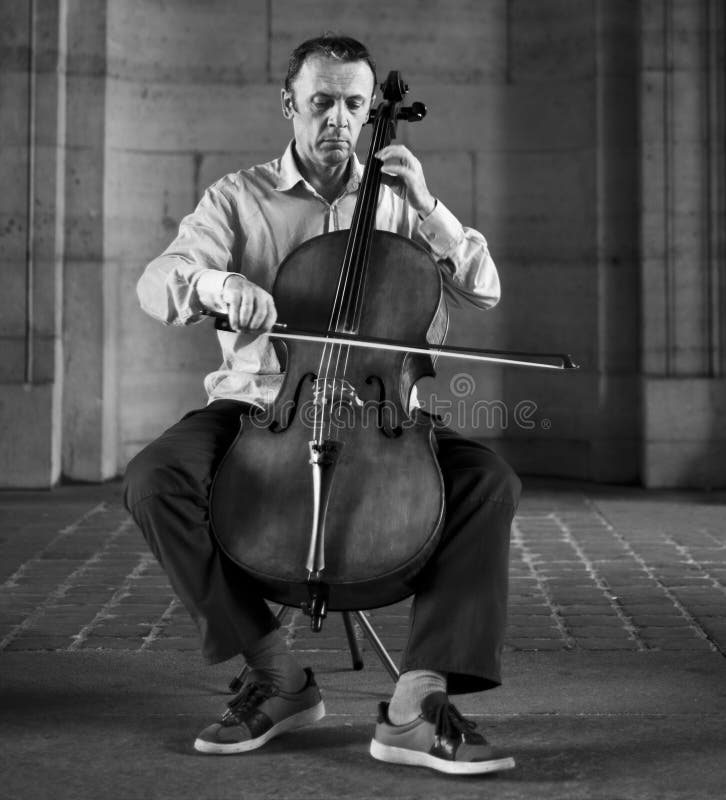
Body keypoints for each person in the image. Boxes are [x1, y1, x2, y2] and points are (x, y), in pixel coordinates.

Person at [123, 33, 521, 776]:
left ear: (372, 109)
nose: (338, 118)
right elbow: (159, 280)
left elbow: (484, 288)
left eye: (353, 103)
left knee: (489, 481)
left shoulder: (400, 204)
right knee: (153, 479)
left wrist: (428, 206)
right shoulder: (239, 198)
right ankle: (276, 675)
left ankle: (417, 701)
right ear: (291, 106)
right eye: (321, 102)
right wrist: (219, 286)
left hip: (380, 413)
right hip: (261, 408)